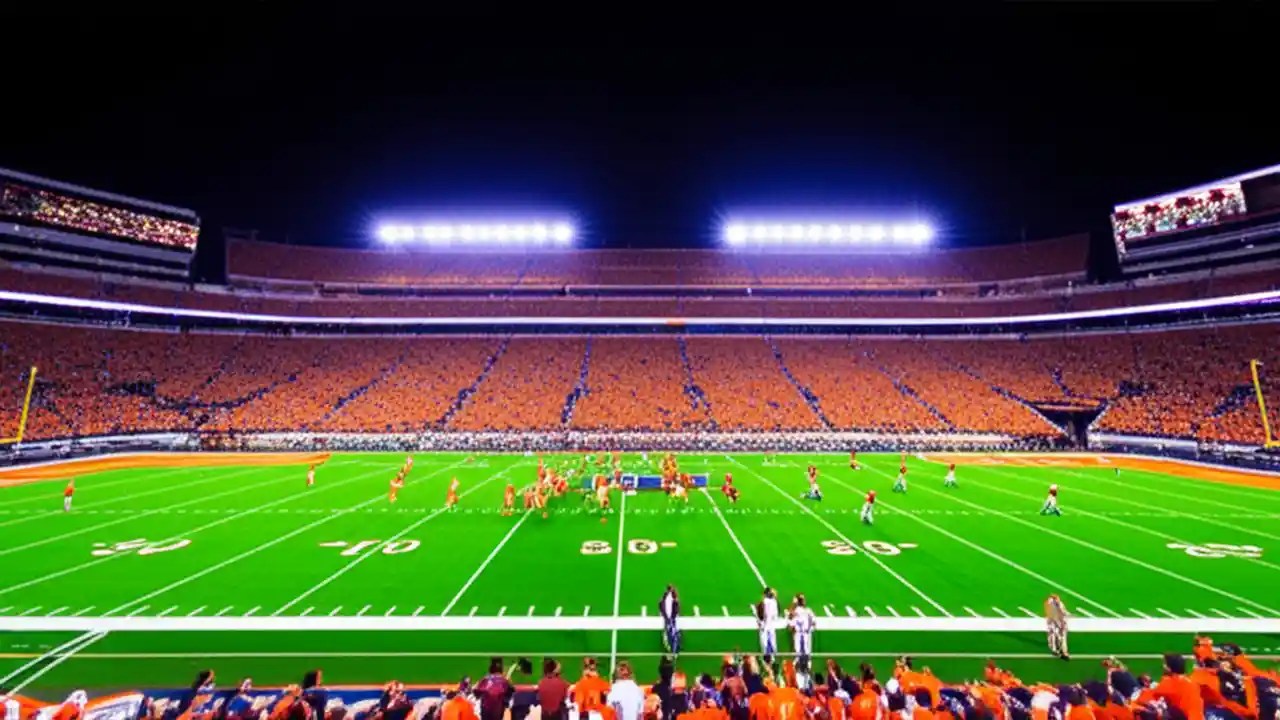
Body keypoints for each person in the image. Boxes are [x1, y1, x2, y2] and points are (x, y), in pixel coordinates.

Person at [790, 594, 816, 670]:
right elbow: (813, 621)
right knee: (806, 648)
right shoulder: (807, 610)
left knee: (798, 648)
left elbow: (791, 619)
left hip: (800, 632)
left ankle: (799, 662)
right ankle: (807, 663)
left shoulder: (797, 611)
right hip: (805, 632)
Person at [757, 587, 780, 665]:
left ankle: (766, 659)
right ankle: (772, 658)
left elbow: (761, 614)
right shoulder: (774, 602)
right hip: (771, 626)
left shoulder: (764, 602)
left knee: (765, 643)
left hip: (765, 625)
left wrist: (760, 621)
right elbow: (776, 616)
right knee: (772, 643)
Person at [1044, 593, 1069, 660]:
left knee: (1058, 636)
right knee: (1056, 636)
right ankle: (1060, 650)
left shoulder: (1056, 604)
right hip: (1056, 622)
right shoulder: (1054, 605)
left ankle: (1061, 651)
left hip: (1058, 622)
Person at [660, 585, 681, 655]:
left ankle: (672, 649)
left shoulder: (666, 596)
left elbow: (662, 604)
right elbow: (676, 606)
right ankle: (673, 650)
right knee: (673, 633)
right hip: (670, 617)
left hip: (670, 617)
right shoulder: (671, 596)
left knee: (671, 632)